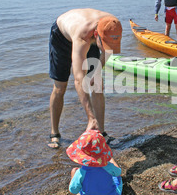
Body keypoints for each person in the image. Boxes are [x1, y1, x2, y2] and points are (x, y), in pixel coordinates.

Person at [48, 8, 122, 148]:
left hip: (92, 35)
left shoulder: (114, 26)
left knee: (97, 84)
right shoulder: (82, 36)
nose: (107, 49)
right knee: (60, 86)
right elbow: (78, 78)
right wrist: (90, 117)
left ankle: (101, 132)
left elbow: (109, 51)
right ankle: (54, 133)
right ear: (97, 35)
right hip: (62, 37)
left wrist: (97, 69)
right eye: (104, 45)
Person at [67, 129, 123, 195]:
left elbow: (73, 190)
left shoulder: (81, 172)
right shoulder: (107, 166)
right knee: (116, 175)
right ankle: (111, 160)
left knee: (76, 189)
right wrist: (110, 161)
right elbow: (118, 173)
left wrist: (73, 176)